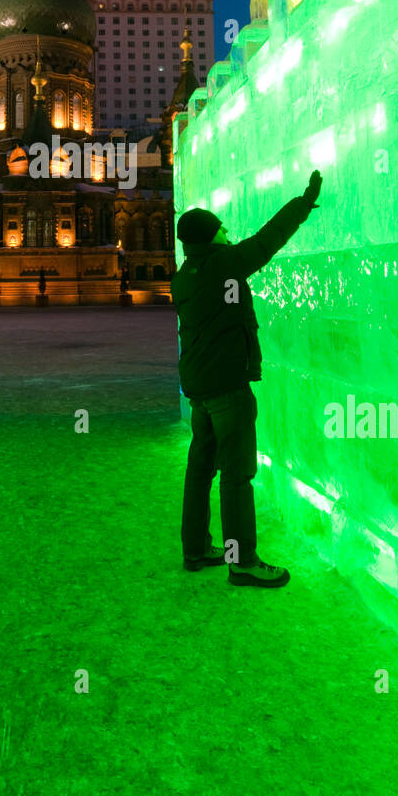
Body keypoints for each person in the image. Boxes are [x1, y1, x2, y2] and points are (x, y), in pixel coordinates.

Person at [170, 171, 323, 586]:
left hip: (199, 388)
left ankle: (197, 547)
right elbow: (267, 240)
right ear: (211, 237)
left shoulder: (184, 275)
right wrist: (302, 203)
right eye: (222, 228)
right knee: (237, 474)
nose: (227, 232)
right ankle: (243, 560)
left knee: (201, 469)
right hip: (225, 388)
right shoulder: (223, 265)